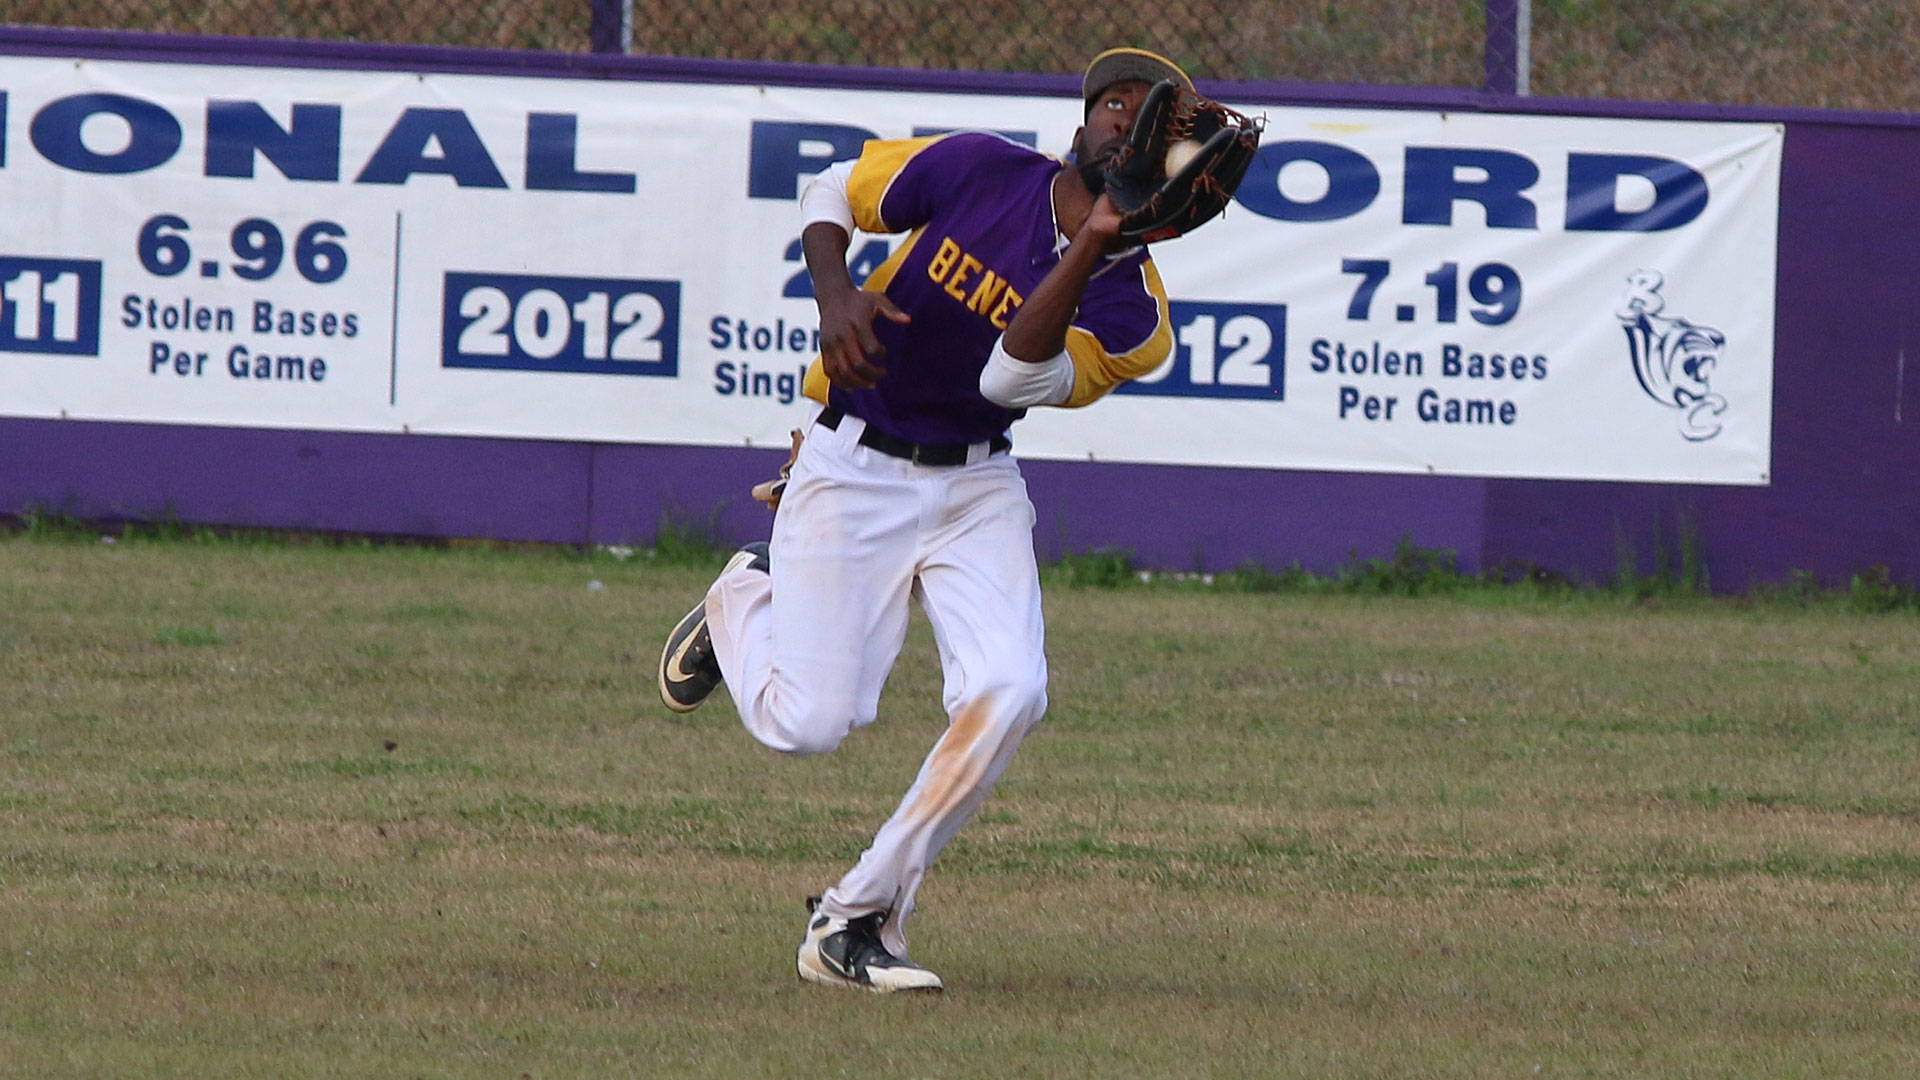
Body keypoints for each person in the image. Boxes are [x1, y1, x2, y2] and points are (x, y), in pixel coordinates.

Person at [658, 47, 1194, 993]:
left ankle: (857, 919)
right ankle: (746, 589)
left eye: (1159, 120)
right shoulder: (983, 165)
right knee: (808, 724)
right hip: (852, 459)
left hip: (974, 488)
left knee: (1010, 689)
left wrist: (1098, 240)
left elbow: (1008, 377)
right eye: (1118, 103)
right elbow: (832, 187)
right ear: (1083, 124)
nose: (1131, 122)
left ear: (1178, 174)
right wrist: (834, 295)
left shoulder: (1133, 314)